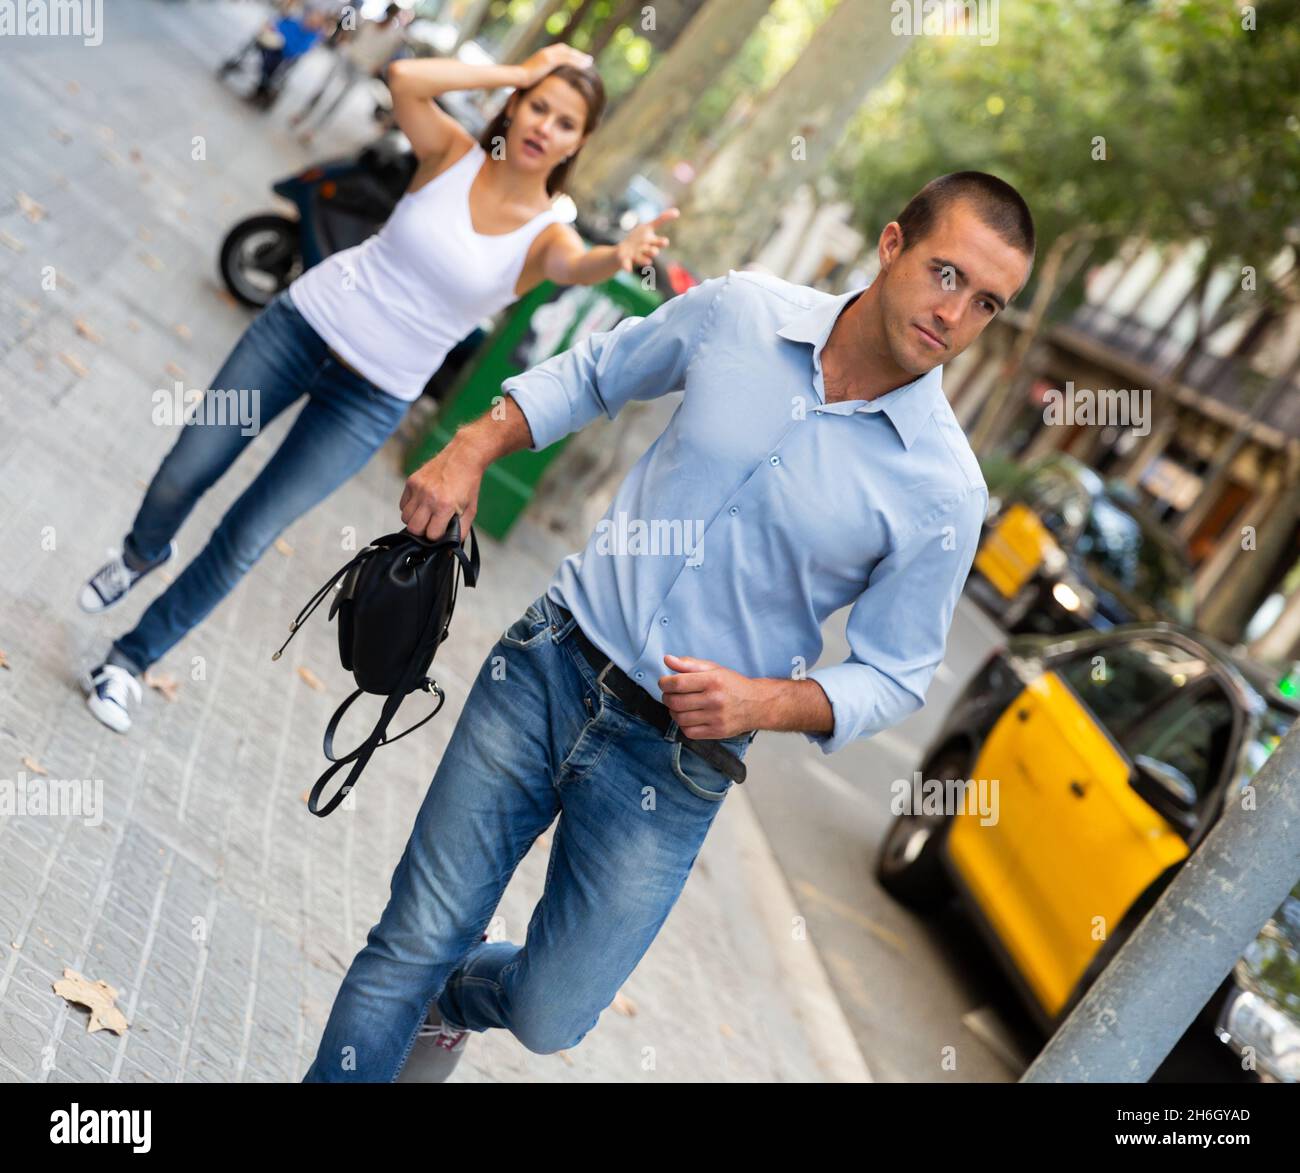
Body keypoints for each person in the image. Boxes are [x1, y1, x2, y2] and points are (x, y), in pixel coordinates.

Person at [303, 172, 1036, 1082]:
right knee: (408, 940)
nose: (955, 312)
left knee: (549, 1012)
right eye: (947, 273)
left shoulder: (944, 489)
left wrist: (764, 700)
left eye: (988, 303)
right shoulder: (742, 312)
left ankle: (452, 999)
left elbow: (896, 672)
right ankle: (420, 982)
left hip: (673, 763)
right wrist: (468, 447)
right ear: (893, 245)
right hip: (548, 663)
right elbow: (594, 375)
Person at [78, 44, 676, 734]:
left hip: (369, 401)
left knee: (246, 534)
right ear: (514, 106)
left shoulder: (548, 233)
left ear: (580, 141)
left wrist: (621, 257)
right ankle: (142, 551)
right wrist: (518, 71)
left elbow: (580, 264)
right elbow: (406, 79)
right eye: (538, 105)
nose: (545, 125)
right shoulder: (452, 155)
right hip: (299, 329)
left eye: (566, 122)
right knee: (187, 469)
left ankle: (130, 658)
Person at [290, 4, 406, 143]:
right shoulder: (368, 23)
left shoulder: (394, 37)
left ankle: (313, 130)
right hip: (349, 56)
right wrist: (344, 41)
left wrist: (376, 67)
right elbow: (350, 32)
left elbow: (387, 58)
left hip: (363, 68)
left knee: (338, 100)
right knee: (323, 88)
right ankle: (302, 114)